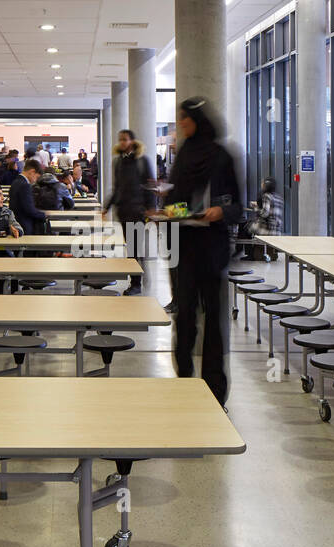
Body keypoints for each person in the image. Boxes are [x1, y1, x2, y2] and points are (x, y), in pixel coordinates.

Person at [157, 97, 242, 407]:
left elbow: (238, 206)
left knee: (214, 320)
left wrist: (221, 211)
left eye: (184, 119)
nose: (180, 124)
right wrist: (170, 211)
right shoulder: (184, 155)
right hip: (183, 246)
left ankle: (215, 388)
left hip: (213, 247)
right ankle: (184, 378)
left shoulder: (222, 156)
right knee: (185, 316)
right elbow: (175, 201)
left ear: (197, 120)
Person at [103, 129, 150, 295]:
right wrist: (106, 206)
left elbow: (150, 186)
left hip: (137, 211)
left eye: (125, 139)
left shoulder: (142, 161)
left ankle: (136, 283)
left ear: (133, 141)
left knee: (135, 248)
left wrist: (150, 210)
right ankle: (137, 278)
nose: (122, 142)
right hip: (123, 211)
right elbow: (117, 188)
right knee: (131, 247)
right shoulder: (118, 162)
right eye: (120, 139)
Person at [244, 177, 283, 262]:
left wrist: (255, 208)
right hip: (276, 229)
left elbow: (265, 213)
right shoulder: (278, 197)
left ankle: (250, 254)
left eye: (263, 183)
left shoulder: (266, 196)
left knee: (245, 227)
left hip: (267, 228)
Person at [9, 158, 49, 236]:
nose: (35, 181)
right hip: (24, 224)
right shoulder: (25, 185)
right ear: (32, 172)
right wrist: (43, 215)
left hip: (16, 221)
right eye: (36, 177)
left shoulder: (15, 181)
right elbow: (29, 209)